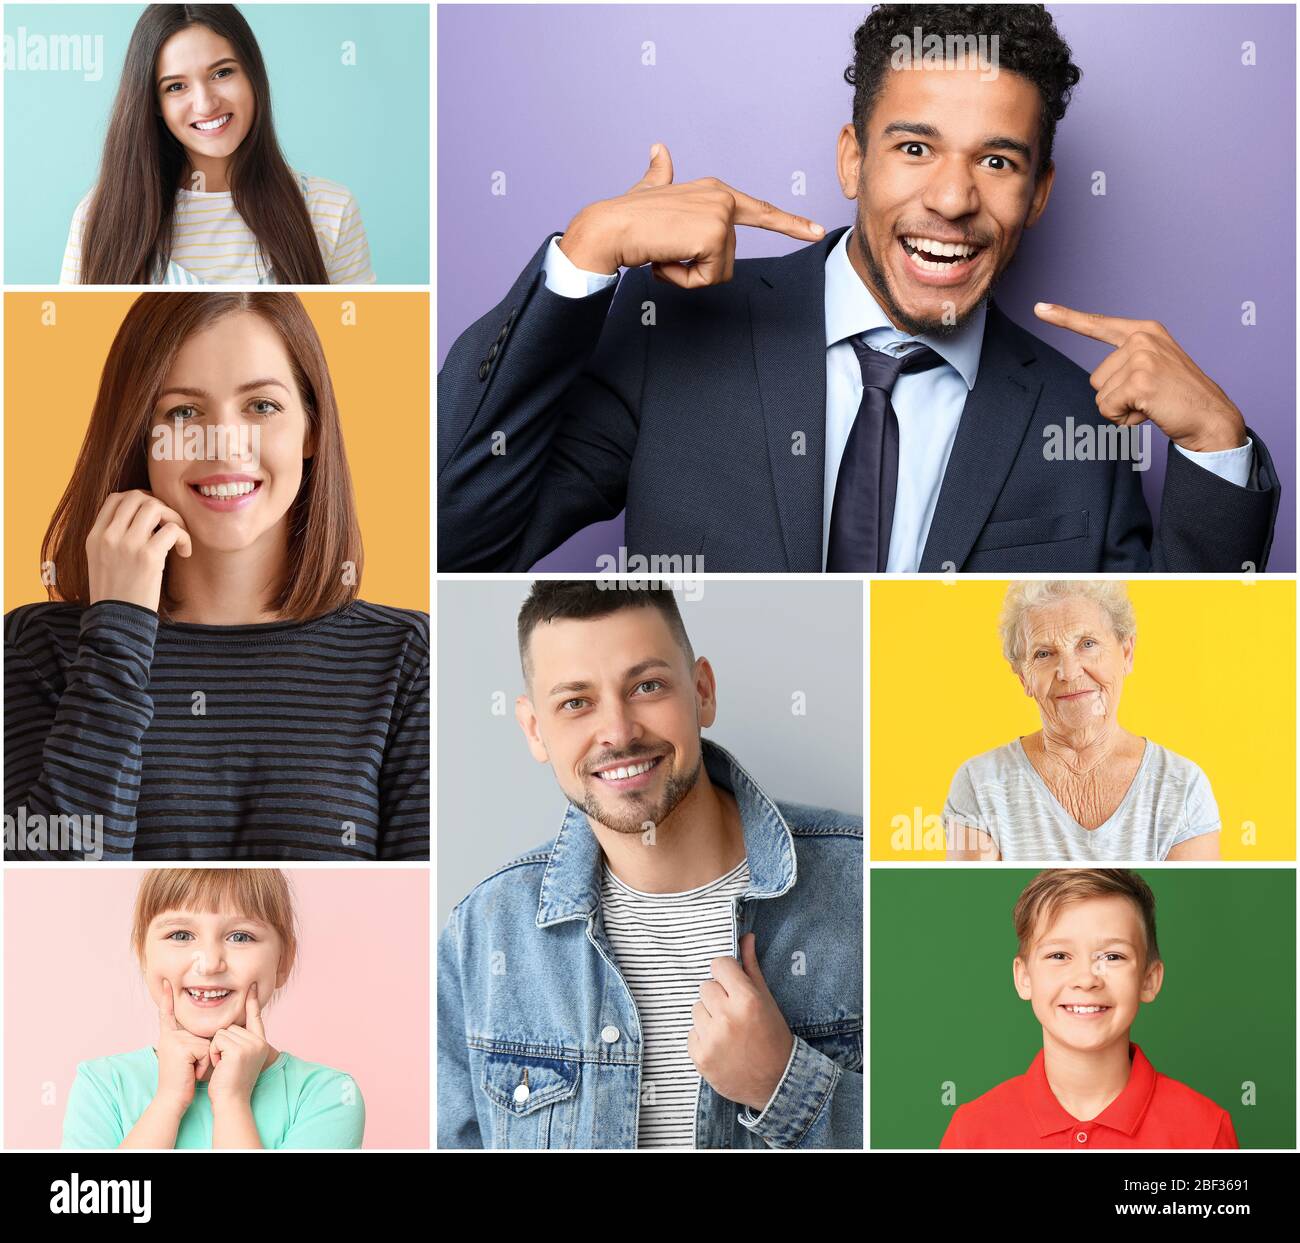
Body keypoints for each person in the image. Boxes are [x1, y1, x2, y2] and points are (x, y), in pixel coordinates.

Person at [437, 4, 1279, 573]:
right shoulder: (674, 336)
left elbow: (1164, 684)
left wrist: (1216, 450)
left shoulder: (1080, 421)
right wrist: (585, 256)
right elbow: (458, 535)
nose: (952, 199)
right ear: (852, 158)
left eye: (997, 161)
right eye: (915, 148)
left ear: (1041, 192)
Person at [437, 581, 863, 1148]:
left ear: (703, 692)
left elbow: (953, 1130)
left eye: (647, 686)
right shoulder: (484, 932)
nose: (617, 731)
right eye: (575, 702)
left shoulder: (865, 886)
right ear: (534, 729)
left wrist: (779, 1083)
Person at [5, 292, 428, 860]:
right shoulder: (34, 647)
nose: (225, 443)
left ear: (310, 431)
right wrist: (117, 633)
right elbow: (49, 904)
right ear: (141, 437)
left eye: (261, 407)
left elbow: (410, 920)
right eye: (182, 412)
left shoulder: (406, 657)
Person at [61, 4, 375, 284]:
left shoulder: (330, 210)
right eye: (176, 86)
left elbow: (361, 346)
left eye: (222, 72)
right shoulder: (99, 217)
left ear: (253, 75)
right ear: (154, 103)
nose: (205, 103)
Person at [62, 868, 365, 1149]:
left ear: (283, 960)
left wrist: (232, 1101)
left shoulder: (329, 1095)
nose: (208, 964)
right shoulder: (101, 1085)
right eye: (180, 935)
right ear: (143, 954)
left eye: (240, 936)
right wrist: (167, 1101)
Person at [940, 868, 1237, 1148]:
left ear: (1149, 980)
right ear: (1024, 978)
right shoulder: (972, 1132)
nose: (1086, 979)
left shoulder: (1204, 1130)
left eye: (1112, 957)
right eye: (1058, 955)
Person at [944, 580, 1220, 860]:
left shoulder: (1182, 786)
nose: (1069, 672)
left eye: (1087, 644)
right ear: (1024, 678)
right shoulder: (978, 783)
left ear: (1126, 653)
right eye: (1044, 654)